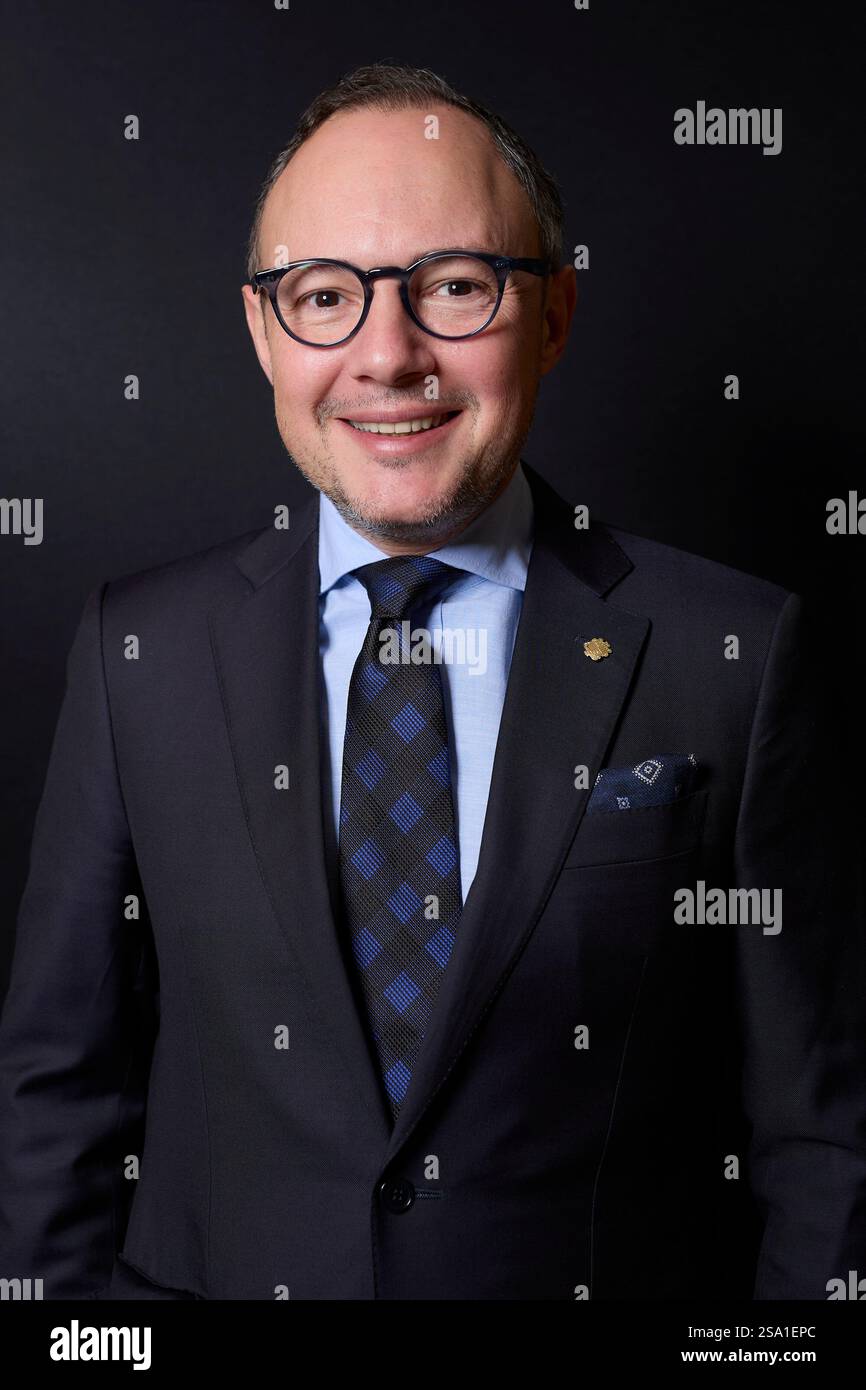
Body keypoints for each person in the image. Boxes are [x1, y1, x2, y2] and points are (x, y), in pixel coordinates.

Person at [1, 62, 864, 1302]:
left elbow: (819, 1134)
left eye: (455, 287)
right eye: (321, 297)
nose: (385, 355)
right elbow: (57, 1098)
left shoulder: (732, 652)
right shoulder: (137, 652)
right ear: (261, 330)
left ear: (554, 314)